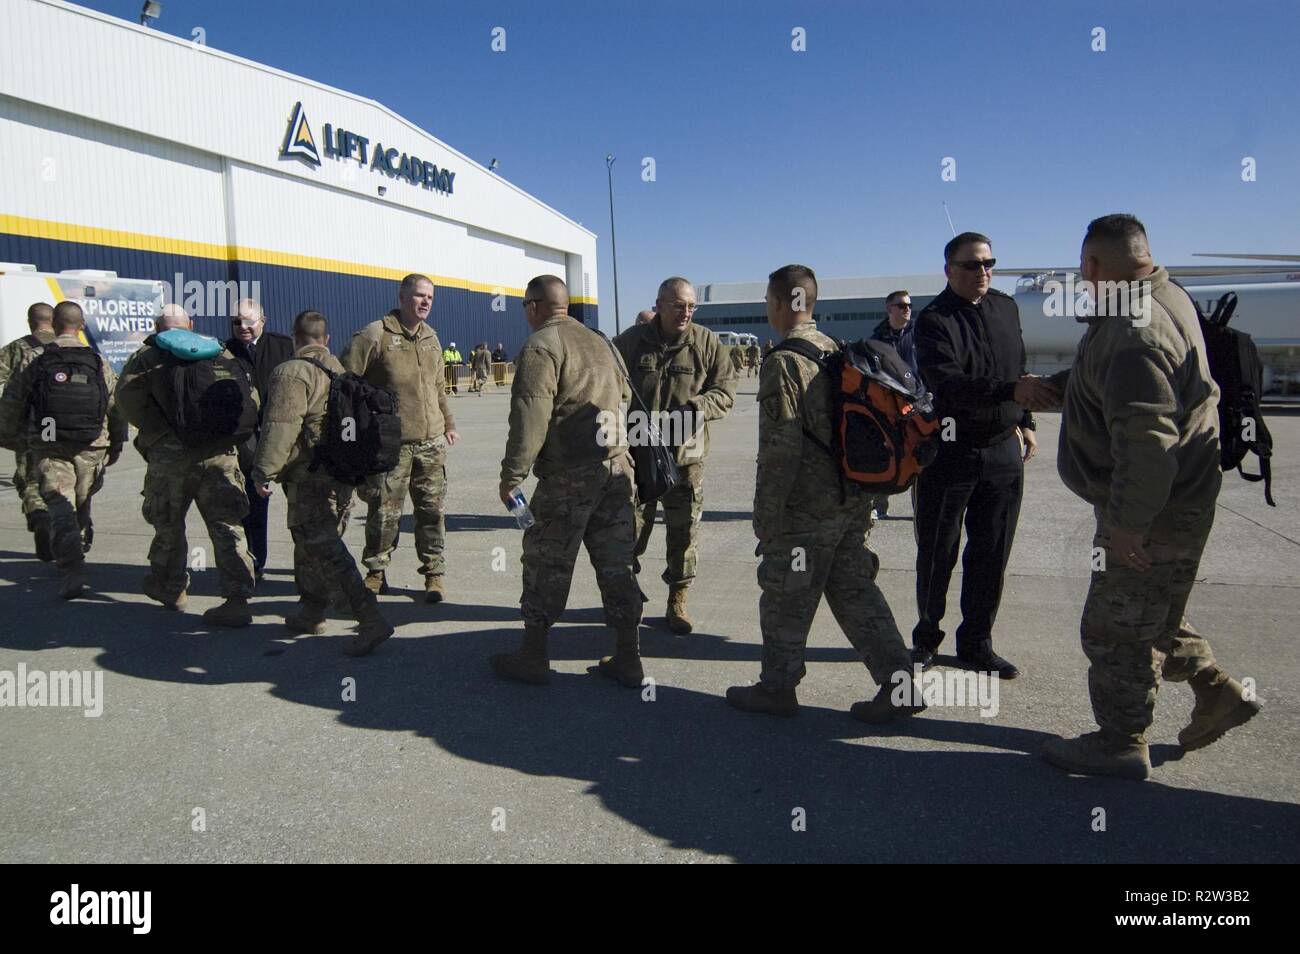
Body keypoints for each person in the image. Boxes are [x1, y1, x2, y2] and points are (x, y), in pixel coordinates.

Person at [1037, 214, 1261, 780]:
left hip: (1152, 511)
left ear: (1092, 265)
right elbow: (1121, 384)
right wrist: (1057, 388)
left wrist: (1128, 526)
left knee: (1112, 629)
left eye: (1082, 270)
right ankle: (1218, 694)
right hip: (1173, 502)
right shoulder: (1158, 296)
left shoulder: (1135, 330)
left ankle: (1120, 743)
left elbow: (1147, 442)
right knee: (1152, 615)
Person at [726, 266, 922, 722]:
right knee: (855, 591)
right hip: (852, 501)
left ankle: (777, 687)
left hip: (806, 510)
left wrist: (766, 518)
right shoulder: (835, 350)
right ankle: (900, 686)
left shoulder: (784, 361)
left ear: (778, 303)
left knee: (786, 593)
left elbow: (780, 451)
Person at [491, 275, 644, 687]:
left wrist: (512, 475)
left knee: (545, 562)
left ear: (533, 306)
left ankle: (534, 654)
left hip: (569, 477)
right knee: (617, 564)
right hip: (616, 470)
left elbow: (530, 416)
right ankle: (629, 657)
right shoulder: (602, 342)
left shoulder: (542, 346)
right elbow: (625, 400)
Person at [910, 232, 1044, 679]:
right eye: (972, 265)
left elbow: (1019, 365)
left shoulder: (1005, 308)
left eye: (989, 263)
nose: (983, 272)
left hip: (1002, 452)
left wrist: (1025, 421)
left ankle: (977, 642)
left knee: (991, 550)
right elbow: (948, 384)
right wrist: (1010, 392)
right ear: (949, 269)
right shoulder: (933, 320)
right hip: (951, 451)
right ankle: (926, 637)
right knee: (938, 550)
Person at [250, 310, 394, 656]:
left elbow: (281, 426)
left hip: (309, 477)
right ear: (326, 340)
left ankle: (370, 618)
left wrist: (263, 472)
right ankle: (312, 611)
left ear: (295, 338)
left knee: (325, 547)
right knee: (309, 545)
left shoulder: (291, 372)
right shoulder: (341, 371)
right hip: (341, 474)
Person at [115, 303, 258, 625]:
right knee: (227, 526)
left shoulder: (147, 356)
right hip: (219, 453)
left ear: (157, 328)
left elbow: (125, 399)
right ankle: (237, 599)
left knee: (168, 524)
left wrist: (159, 430)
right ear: (190, 324)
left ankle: (171, 588)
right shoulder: (219, 353)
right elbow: (250, 398)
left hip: (171, 456)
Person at [613, 276, 737, 634]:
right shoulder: (632, 341)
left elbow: (725, 390)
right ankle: (627, 593)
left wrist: (697, 408)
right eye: (678, 305)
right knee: (629, 530)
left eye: (691, 306)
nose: (686, 313)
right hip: (640, 454)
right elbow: (606, 380)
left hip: (687, 456)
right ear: (659, 305)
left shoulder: (707, 342)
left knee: (684, 534)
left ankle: (677, 601)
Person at [341, 274, 458, 602]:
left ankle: (434, 574)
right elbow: (346, 384)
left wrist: (448, 423)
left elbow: (438, 388)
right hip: (391, 444)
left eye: (430, 298)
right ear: (403, 296)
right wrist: (355, 432)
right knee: (384, 512)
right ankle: (376, 573)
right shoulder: (375, 335)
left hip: (432, 442)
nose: (425, 302)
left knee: (432, 511)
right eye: (419, 296)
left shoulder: (432, 338)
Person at [0, 302, 126, 598]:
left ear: (55, 324)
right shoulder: (96, 360)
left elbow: (12, 402)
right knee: (80, 503)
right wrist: (117, 441)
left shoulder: (35, 359)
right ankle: (78, 544)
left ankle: (72, 568)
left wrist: (10, 437)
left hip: (49, 439)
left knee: (59, 503)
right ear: (80, 325)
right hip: (92, 442)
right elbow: (116, 405)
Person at [225, 298, 294, 580]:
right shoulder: (224, 352)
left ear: (262, 321)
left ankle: (310, 566)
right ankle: (255, 562)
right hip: (246, 440)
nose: (242, 327)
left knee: (302, 502)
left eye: (248, 322)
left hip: (283, 435)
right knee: (251, 504)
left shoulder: (283, 347)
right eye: (236, 322)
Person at [0, 302, 57, 558]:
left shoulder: (16, 349)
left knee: (31, 480)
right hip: (68, 429)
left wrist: (6, 430)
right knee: (64, 480)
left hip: (31, 429)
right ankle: (73, 531)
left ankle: (40, 515)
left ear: (29, 321)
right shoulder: (70, 347)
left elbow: (6, 391)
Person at [868, 290, 921, 519]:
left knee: (921, 455)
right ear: (889, 309)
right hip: (888, 405)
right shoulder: (877, 339)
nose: (906, 309)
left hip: (918, 404)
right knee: (884, 451)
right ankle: (878, 506)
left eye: (909, 305)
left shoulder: (920, 334)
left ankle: (921, 507)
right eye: (901, 305)